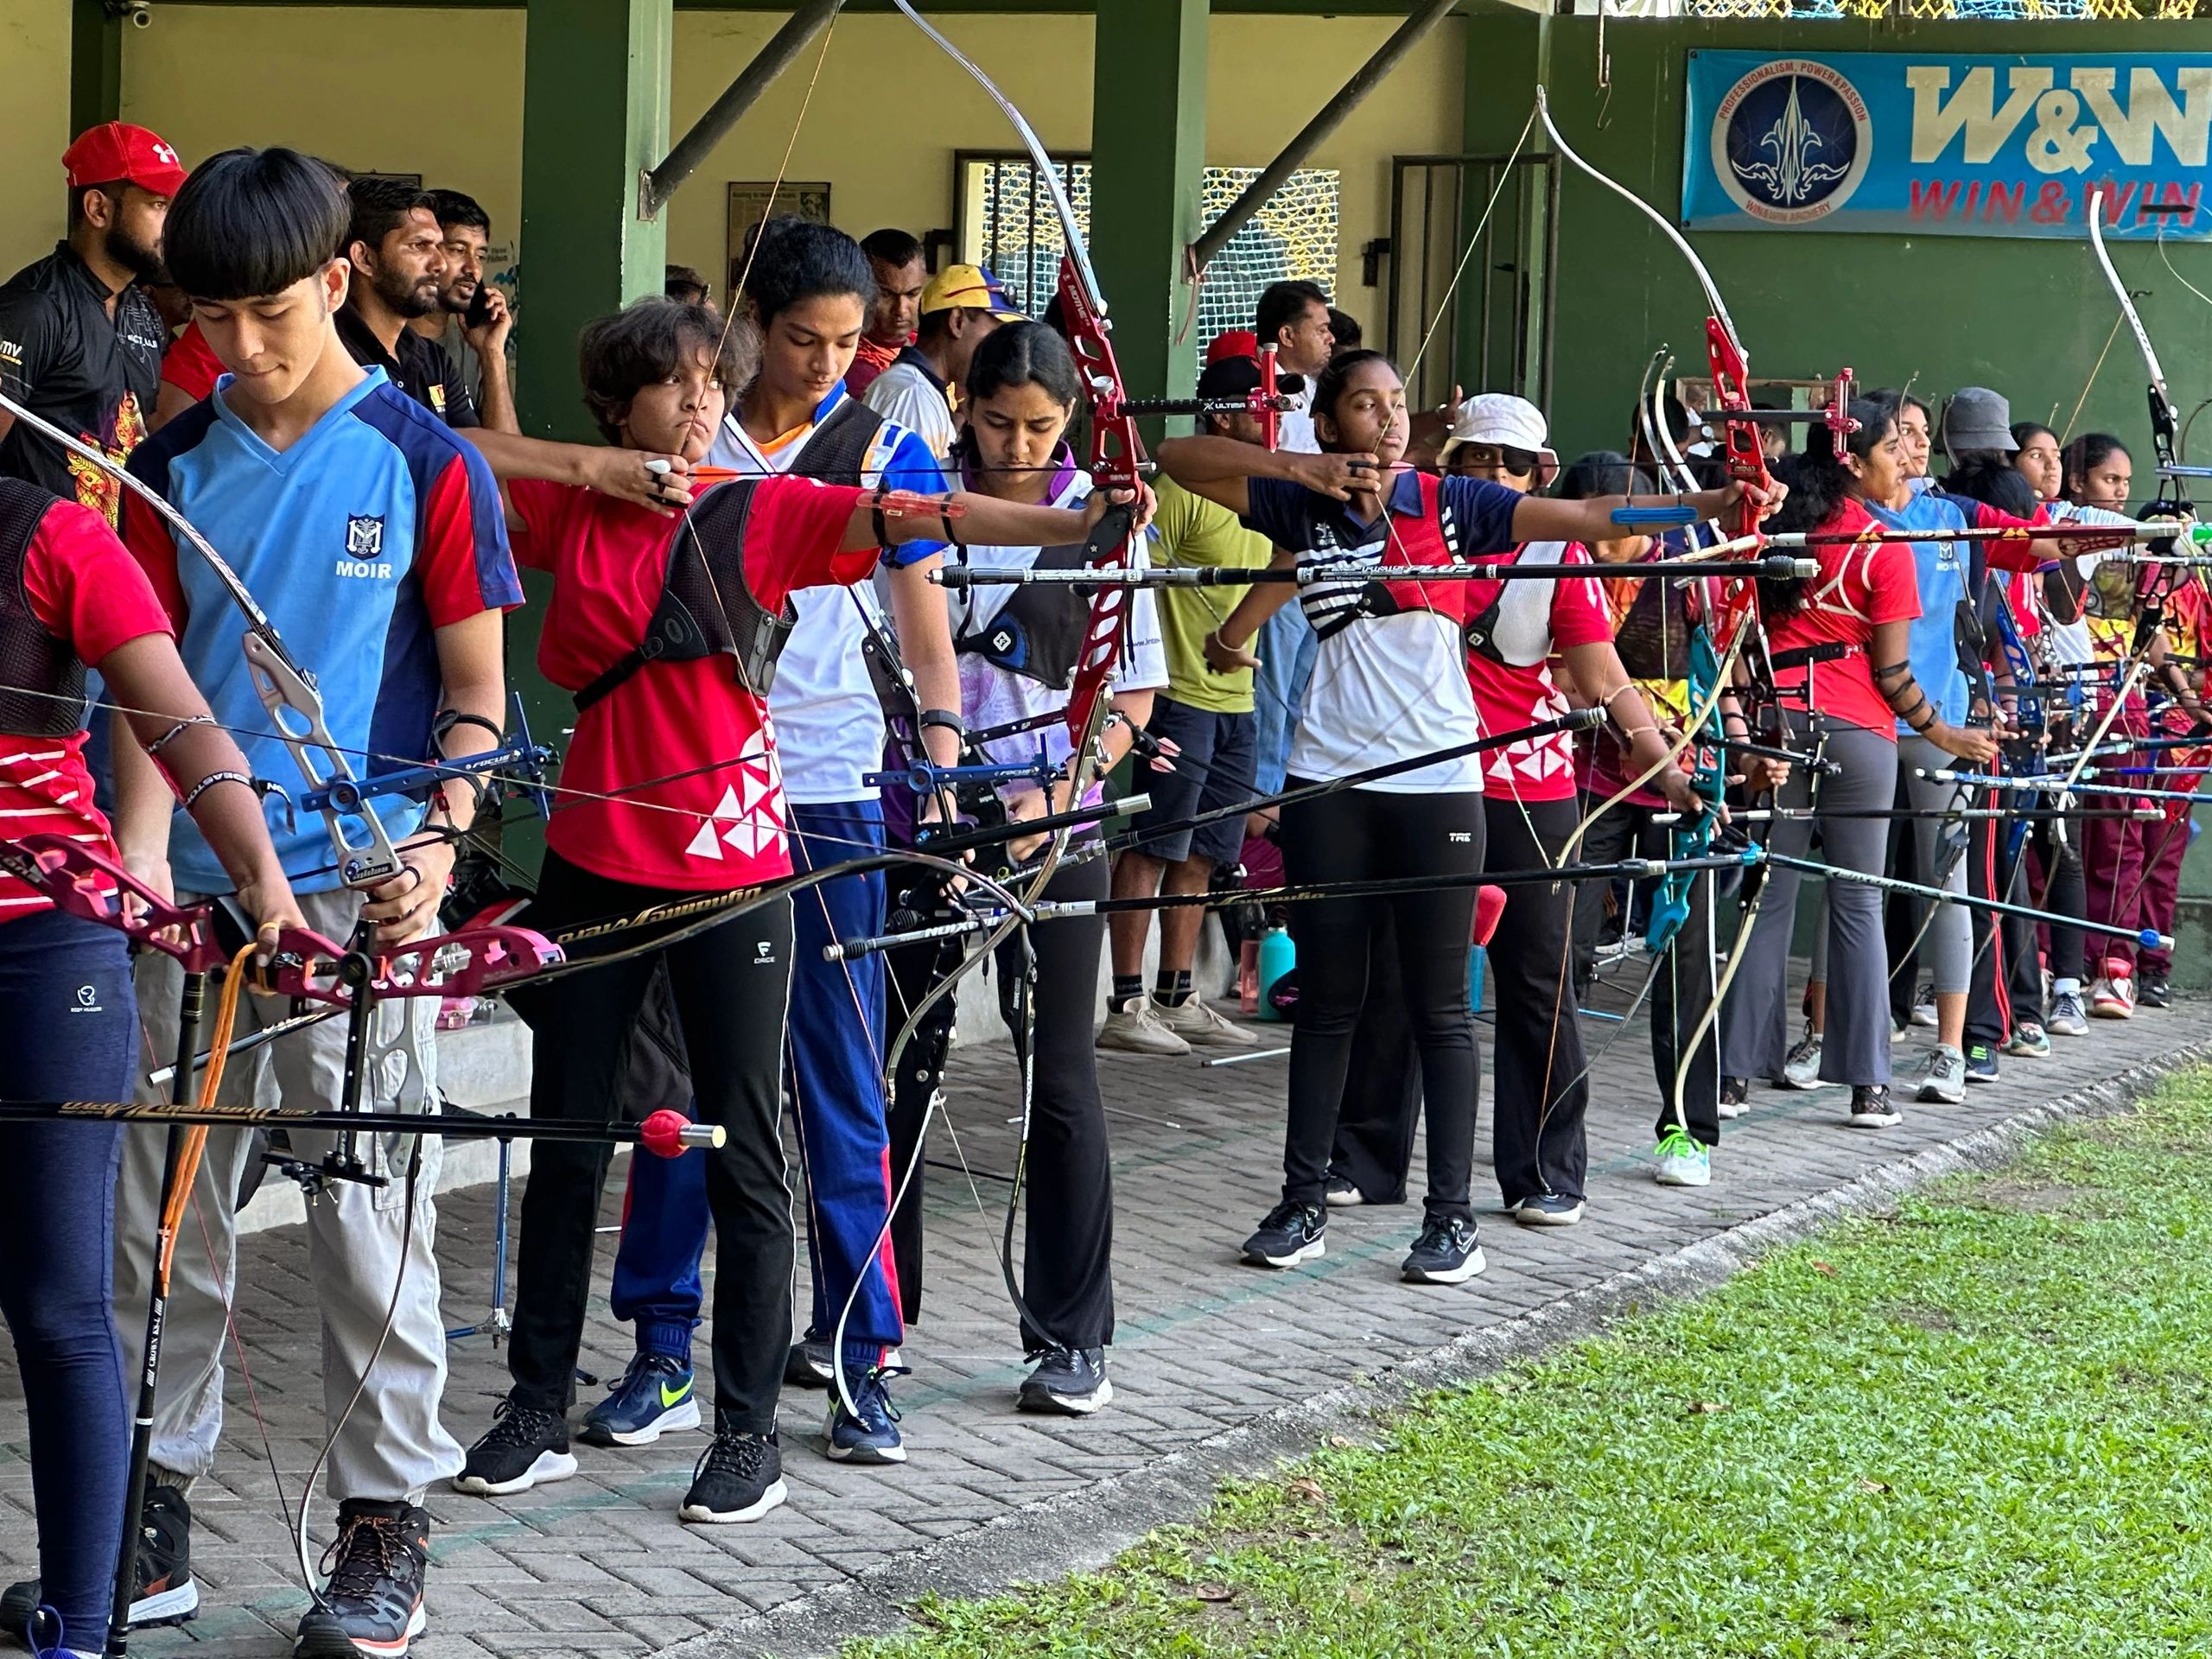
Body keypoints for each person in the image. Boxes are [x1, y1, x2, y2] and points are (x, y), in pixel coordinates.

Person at [449, 302, 1145, 1518]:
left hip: (735, 862)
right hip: (597, 857)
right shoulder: (580, 502)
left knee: (746, 1144)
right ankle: (533, 1408)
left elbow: (917, 518)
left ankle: (747, 1432)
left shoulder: (756, 511)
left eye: (713, 384)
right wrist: (597, 467)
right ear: (624, 406)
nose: (705, 407)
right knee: (568, 1136)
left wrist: (1068, 521)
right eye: (677, 389)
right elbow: (446, 444)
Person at [105, 147, 518, 1659]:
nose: (239, 347)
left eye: (269, 310)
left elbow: (476, 701)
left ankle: (383, 1518)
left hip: (362, 904)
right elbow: (150, 700)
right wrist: (144, 869)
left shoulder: (428, 460)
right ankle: (148, 1512)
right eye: (206, 319)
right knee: (160, 1225)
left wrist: (441, 840)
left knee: (367, 1215)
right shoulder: (172, 465)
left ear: (340, 279)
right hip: (194, 910)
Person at [1161, 349, 1775, 1282]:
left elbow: (1590, 516)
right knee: (1331, 1006)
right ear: (1329, 424)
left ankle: (1450, 1221)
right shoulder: (1300, 505)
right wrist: (1296, 468)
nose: (1390, 418)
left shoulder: (1451, 504)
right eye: (1365, 405)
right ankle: (1300, 1202)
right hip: (1332, 779)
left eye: (1399, 404)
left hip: (1440, 784)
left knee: (1442, 1009)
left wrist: (1705, 508)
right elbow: (1176, 459)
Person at [569, 219, 962, 1465]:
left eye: (851, 344)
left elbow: (921, 602)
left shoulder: (881, 444)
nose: (826, 365)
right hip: (688, 804)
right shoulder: (686, 428)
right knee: (676, 1096)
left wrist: (941, 756)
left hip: (831, 789)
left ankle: (859, 1356)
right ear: (750, 329)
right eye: (802, 340)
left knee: (839, 1079)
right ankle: (663, 1349)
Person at [0, 474, 301, 1659]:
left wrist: (266, 895)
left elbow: (180, 725)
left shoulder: (56, 532)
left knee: (62, 1301)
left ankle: (81, 1629)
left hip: (45, 945)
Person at [936, 319, 1165, 1411]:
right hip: (925, 807)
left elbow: (1130, 700)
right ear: (962, 409)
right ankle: (865, 1325)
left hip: (1052, 825)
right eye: (995, 424)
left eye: (1041, 426)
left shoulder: (1113, 524)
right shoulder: (922, 501)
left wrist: (1054, 797)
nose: (1018, 447)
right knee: (895, 1068)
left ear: (1074, 418)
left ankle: (1072, 1335)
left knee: (1060, 1073)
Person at [1440, 397, 1704, 1224]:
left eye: (1509, 465)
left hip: (1529, 787)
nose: (1491, 476)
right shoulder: (1411, 529)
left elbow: (1602, 677)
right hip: (1425, 780)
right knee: (1403, 972)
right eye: (1474, 459)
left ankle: (1547, 1170)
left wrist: (1661, 768)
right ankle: (1365, 1155)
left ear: (1538, 476)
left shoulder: (1557, 551)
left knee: (1538, 979)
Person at [1719, 396, 1994, 1130]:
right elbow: (1896, 678)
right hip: (1857, 734)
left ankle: (1735, 1077)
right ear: (1853, 459)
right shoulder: (1883, 545)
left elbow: (1741, 635)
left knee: (1769, 894)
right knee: (1857, 899)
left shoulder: (1778, 530)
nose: (1902, 464)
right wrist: (1947, 737)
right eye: (1889, 453)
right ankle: (1868, 1086)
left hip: (1783, 727)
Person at [1560, 452, 1763, 1189]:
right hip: (1587, 780)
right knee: (1559, 952)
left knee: (1686, 959)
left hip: (1684, 778)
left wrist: (1738, 753)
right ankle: (1550, 1119)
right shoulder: (1560, 565)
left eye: (1622, 522)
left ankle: (1687, 1126)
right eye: (1593, 517)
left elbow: (1719, 672)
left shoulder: (1691, 574)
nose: (1604, 537)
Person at [1098, 353, 1274, 1057]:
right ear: (1223, 414)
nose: (1272, 420)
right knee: (1151, 846)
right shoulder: (1176, 489)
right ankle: (1124, 1003)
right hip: (1177, 695)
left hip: (1239, 698)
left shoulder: (1271, 489)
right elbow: (1134, 572)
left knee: (1205, 854)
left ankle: (1177, 995)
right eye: (1259, 406)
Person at [0, 123, 184, 511]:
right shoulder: (34, 308)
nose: (175, 226)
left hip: (117, 558)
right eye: (158, 206)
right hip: (44, 560)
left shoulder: (143, 313)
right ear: (99, 209)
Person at [334, 176, 480, 429]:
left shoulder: (432, 358)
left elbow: (473, 450)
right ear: (365, 259)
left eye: (438, 246)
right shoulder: (331, 355)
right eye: (419, 246)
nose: (440, 264)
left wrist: (492, 354)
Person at [862, 263, 1022, 461]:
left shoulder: (922, 390)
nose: (997, 350)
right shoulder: (913, 396)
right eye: (993, 335)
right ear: (957, 322)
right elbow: (909, 491)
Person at [410, 189, 517, 434]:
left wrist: (492, 354)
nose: (474, 269)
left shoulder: (472, 345)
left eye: (480, 255)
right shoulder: (389, 343)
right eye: (458, 250)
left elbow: (508, 454)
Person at [1255, 281, 1332, 454]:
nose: (1331, 338)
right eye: (1322, 330)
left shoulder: (1309, 384)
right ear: (1287, 336)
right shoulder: (1252, 390)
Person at [851, 228, 927, 396]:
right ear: (861, 288)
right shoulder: (853, 362)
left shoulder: (926, 342)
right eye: (885, 295)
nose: (900, 309)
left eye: (912, 294)